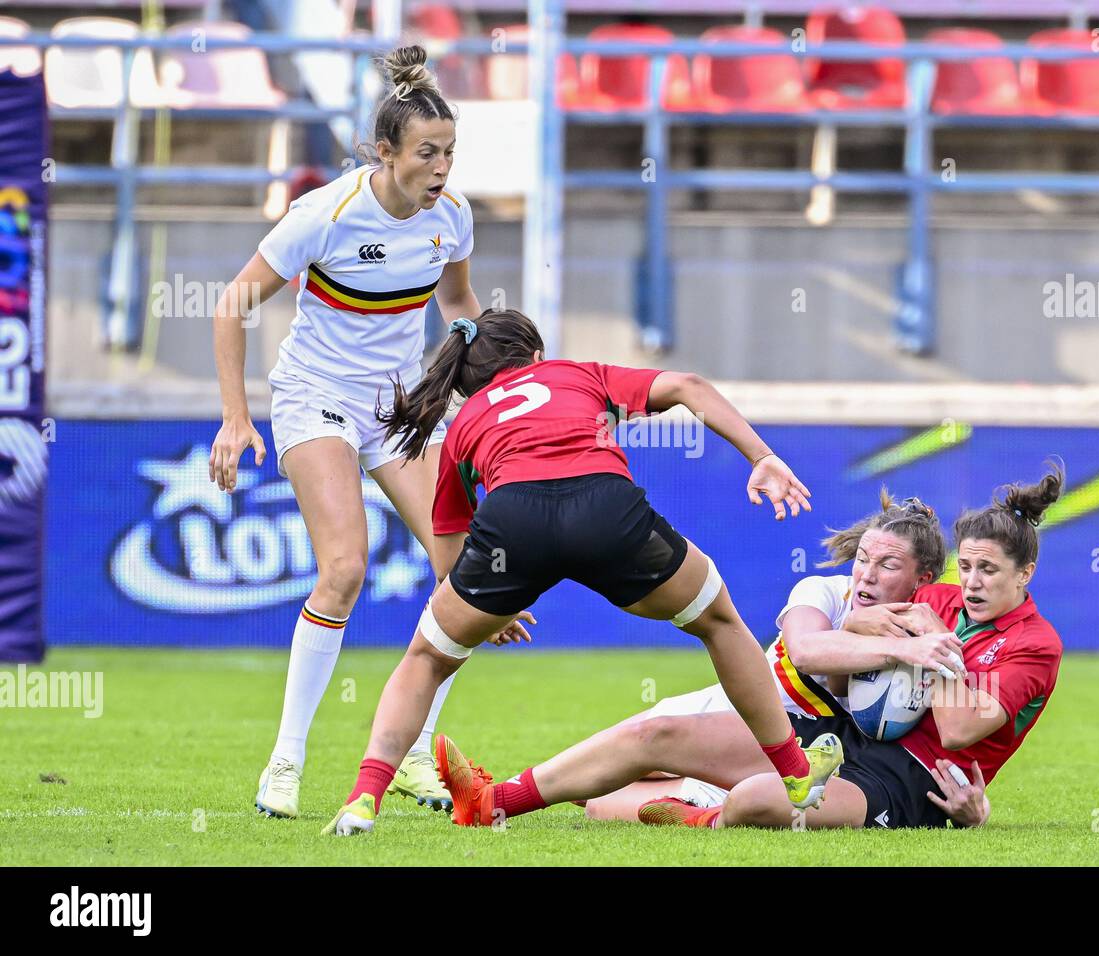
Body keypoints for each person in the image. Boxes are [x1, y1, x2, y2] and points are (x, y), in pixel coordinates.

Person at [320, 308, 845, 835]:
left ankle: (364, 799)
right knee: (719, 623)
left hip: (513, 521)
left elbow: (447, 561)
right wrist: (761, 456)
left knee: (427, 659)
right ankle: (796, 774)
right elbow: (687, 384)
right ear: (535, 357)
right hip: (606, 510)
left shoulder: (463, 426)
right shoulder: (574, 373)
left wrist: (487, 607)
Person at [430, 464, 1064, 832]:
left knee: (758, 798)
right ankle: (490, 802)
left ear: (1024, 575)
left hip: (910, 782)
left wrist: (931, 644)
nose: (972, 583)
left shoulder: (1034, 646)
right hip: (830, 731)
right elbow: (856, 631)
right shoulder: (934, 601)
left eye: (988, 571)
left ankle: (693, 815)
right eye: (969, 568)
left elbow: (955, 728)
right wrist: (910, 633)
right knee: (654, 737)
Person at [208, 45, 483, 819]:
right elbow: (231, 304)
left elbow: (457, 308)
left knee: (465, 577)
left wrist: (488, 369)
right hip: (316, 396)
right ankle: (285, 764)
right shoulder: (324, 214)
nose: (442, 169)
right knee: (345, 568)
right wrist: (236, 417)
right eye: (428, 154)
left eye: (451, 154)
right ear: (384, 153)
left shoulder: (453, 219)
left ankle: (414, 756)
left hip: (398, 407)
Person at [584, 490, 955, 820]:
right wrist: (880, 638)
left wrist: (976, 808)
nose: (866, 576)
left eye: (887, 565)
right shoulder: (825, 592)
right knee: (588, 783)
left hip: (785, 754)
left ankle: (699, 811)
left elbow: (952, 728)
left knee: (600, 806)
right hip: (719, 716)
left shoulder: (930, 636)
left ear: (923, 579)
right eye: (861, 559)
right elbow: (806, 652)